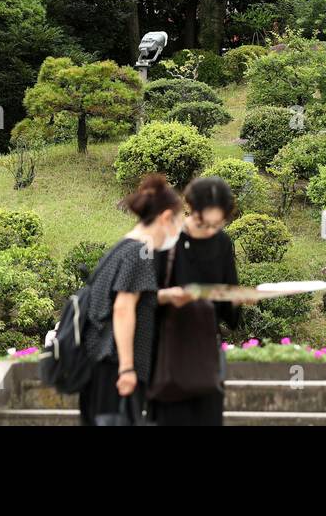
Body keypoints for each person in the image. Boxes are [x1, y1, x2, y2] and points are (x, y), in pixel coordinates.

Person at [78, 173, 183, 426]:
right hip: (114, 365)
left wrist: (165, 296)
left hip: (100, 363)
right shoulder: (141, 252)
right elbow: (123, 309)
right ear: (166, 218)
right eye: (179, 223)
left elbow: (129, 298)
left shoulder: (123, 248)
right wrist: (127, 369)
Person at [150, 175, 241, 427]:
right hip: (168, 352)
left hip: (204, 354)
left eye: (217, 224)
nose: (210, 230)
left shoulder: (222, 242)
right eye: (203, 223)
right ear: (192, 210)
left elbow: (229, 312)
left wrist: (240, 299)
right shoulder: (167, 239)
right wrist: (168, 296)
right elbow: (141, 296)